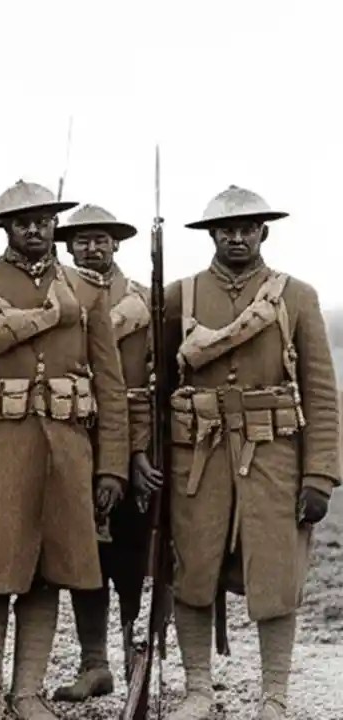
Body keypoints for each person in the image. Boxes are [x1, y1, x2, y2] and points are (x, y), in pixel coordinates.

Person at [0, 180, 129, 720]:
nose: (35, 228)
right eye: (24, 221)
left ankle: (27, 692)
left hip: (69, 451)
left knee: (50, 573)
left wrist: (111, 463)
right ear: (5, 228)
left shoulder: (87, 292)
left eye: (44, 219)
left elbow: (111, 388)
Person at [162, 186, 337, 720]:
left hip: (274, 456)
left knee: (277, 574)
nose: (236, 237)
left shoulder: (297, 297)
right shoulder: (179, 296)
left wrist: (321, 475)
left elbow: (322, 392)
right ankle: (196, 689)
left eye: (247, 227)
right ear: (211, 234)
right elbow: (156, 388)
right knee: (192, 569)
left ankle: (274, 695)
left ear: (264, 231)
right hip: (199, 459)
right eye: (225, 229)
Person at [51, 204, 160, 702]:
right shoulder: (57, 299)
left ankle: (138, 659)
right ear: (67, 247)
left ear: (117, 245)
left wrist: (137, 452)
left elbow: (153, 386)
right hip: (73, 437)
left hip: (134, 443)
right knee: (84, 553)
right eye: (81, 241)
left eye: (101, 240)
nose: (92, 248)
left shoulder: (145, 302)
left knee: (135, 555)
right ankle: (95, 663)